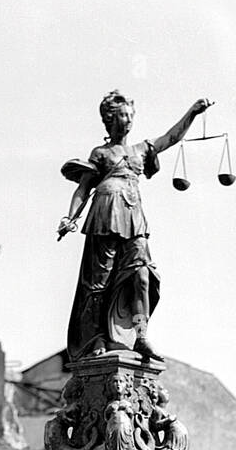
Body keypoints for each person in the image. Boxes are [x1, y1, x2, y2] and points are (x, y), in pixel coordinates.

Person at [59, 90, 212, 362]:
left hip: (133, 214)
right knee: (98, 282)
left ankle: (141, 336)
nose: (127, 120)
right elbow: (83, 189)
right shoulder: (101, 153)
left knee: (142, 274)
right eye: (121, 115)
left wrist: (192, 113)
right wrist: (70, 218)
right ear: (109, 120)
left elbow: (171, 138)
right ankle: (95, 338)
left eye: (130, 115)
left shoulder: (141, 150)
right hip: (105, 214)